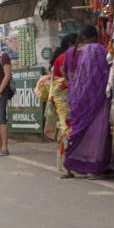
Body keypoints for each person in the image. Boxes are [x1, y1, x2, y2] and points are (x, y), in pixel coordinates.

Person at [62, 25, 112, 179]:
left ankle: (70, 168)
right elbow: (107, 70)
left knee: (76, 131)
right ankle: (92, 169)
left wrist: (75, 86)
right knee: (96, 133)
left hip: (76, 98)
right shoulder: (97, 49)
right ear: (94, 37)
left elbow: (65, 72)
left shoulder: (70, 52)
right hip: (95, 97)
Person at [45, 33, 77, 177]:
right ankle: (68, 167)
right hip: (67, 101)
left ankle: (69, 166)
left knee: (66, 129)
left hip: (63, 101)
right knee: (68, 130)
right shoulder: (66, 58)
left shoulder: (60, 58)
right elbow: (67, 79)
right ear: (72, 44)